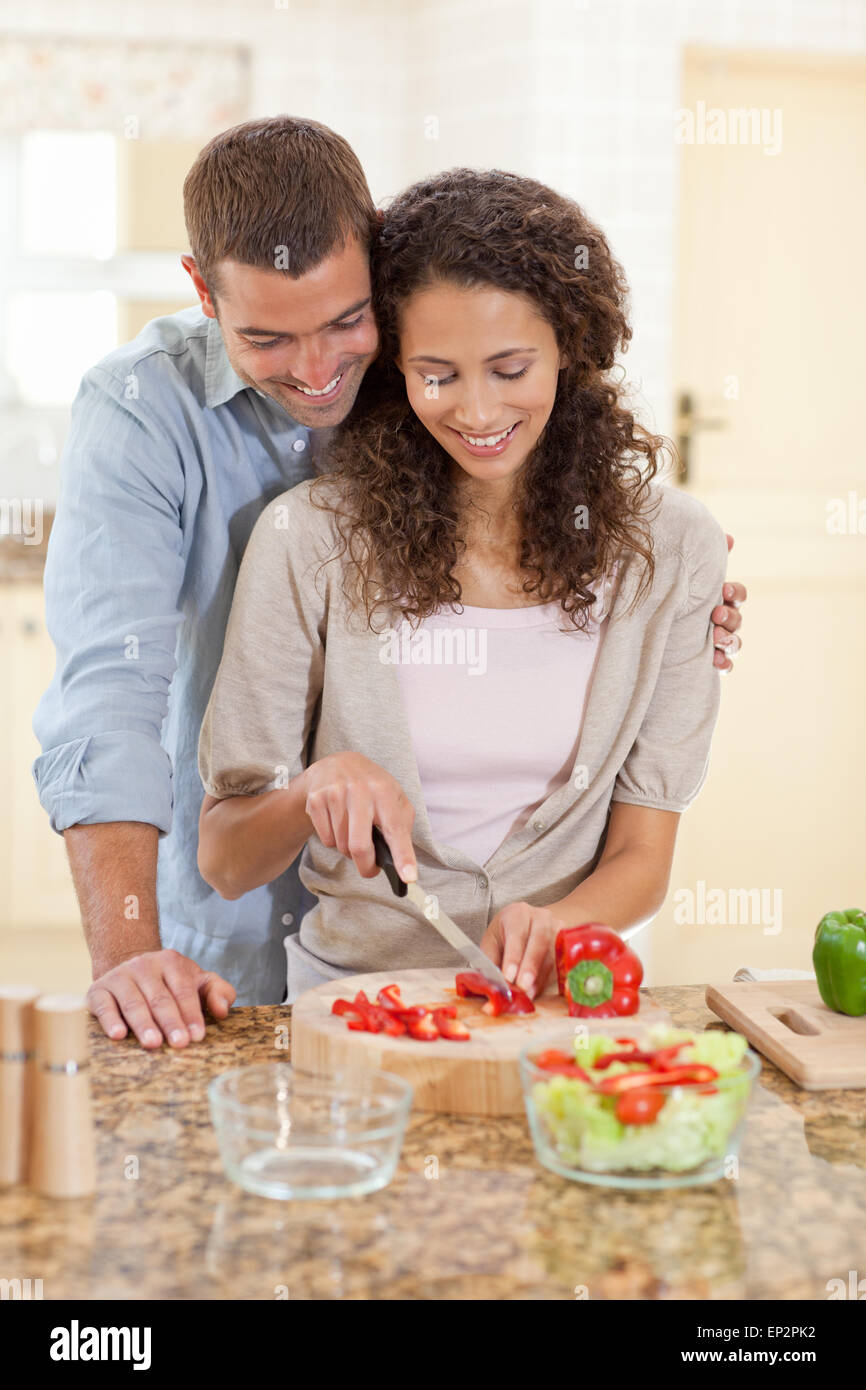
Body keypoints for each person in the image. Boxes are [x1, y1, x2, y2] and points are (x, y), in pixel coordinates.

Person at [32, 117, 746, 1048]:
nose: (321, 370)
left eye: (344, 325)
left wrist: (673, 578)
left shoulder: (443, 362)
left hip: (534, 1010)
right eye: (269, 339)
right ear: (203, 292)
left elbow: (642, 834)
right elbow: (110, 696)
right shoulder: (152, 419)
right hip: (262, 940)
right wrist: (129, 951)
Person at [197, 167, 732, 1005]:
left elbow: (643, 859)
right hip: (355, 1006)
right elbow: (227, 860)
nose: (478, 412)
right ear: (396, 368)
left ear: (571, 347)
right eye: (437, 373)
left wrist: (564, 921)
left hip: (565, 1005)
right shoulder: (312, 538)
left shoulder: (673, 550)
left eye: (511, 368)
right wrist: (310, 791)